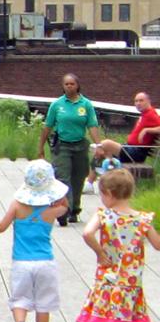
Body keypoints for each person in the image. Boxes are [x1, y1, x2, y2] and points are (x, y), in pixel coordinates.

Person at [77, 167, 155, 322]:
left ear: (109, 194)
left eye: (102, 194)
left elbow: (87, 233)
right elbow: (157, 244)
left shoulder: (104, 216)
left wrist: (100, 253)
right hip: (131, 282)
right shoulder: (143, 219)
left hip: (109, 280)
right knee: (126, 320)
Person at [0, 159, 68, 322]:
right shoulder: (51, 211)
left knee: (20, 300)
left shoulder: (17, 206)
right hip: (45, 262)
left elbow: (1, 227)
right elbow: (65, 206)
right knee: (44, 304)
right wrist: (59, 198)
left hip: (21, 263)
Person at [38, 73, 102, 226]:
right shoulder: (57, 105)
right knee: (63, 177)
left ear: (77, 85)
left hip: (80, 144)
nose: (69, 86)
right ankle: (64, 211)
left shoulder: (85, 104)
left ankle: (75, 209)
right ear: (63, 86)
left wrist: (99, 145)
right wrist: (40, 147)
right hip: (62, 145)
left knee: (79, 177)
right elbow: (48, 126)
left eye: (72, 84)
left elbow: (92, 125)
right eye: (66, 84)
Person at [120, 91, 160, 162]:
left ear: (148, 101)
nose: (138, 103)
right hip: (130, 149)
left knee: (106, 144)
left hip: (136, 153)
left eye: (141, 100)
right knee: (102, 150)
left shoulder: (151, 114)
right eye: (136, 101)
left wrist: (146, 130)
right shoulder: (145, 114)